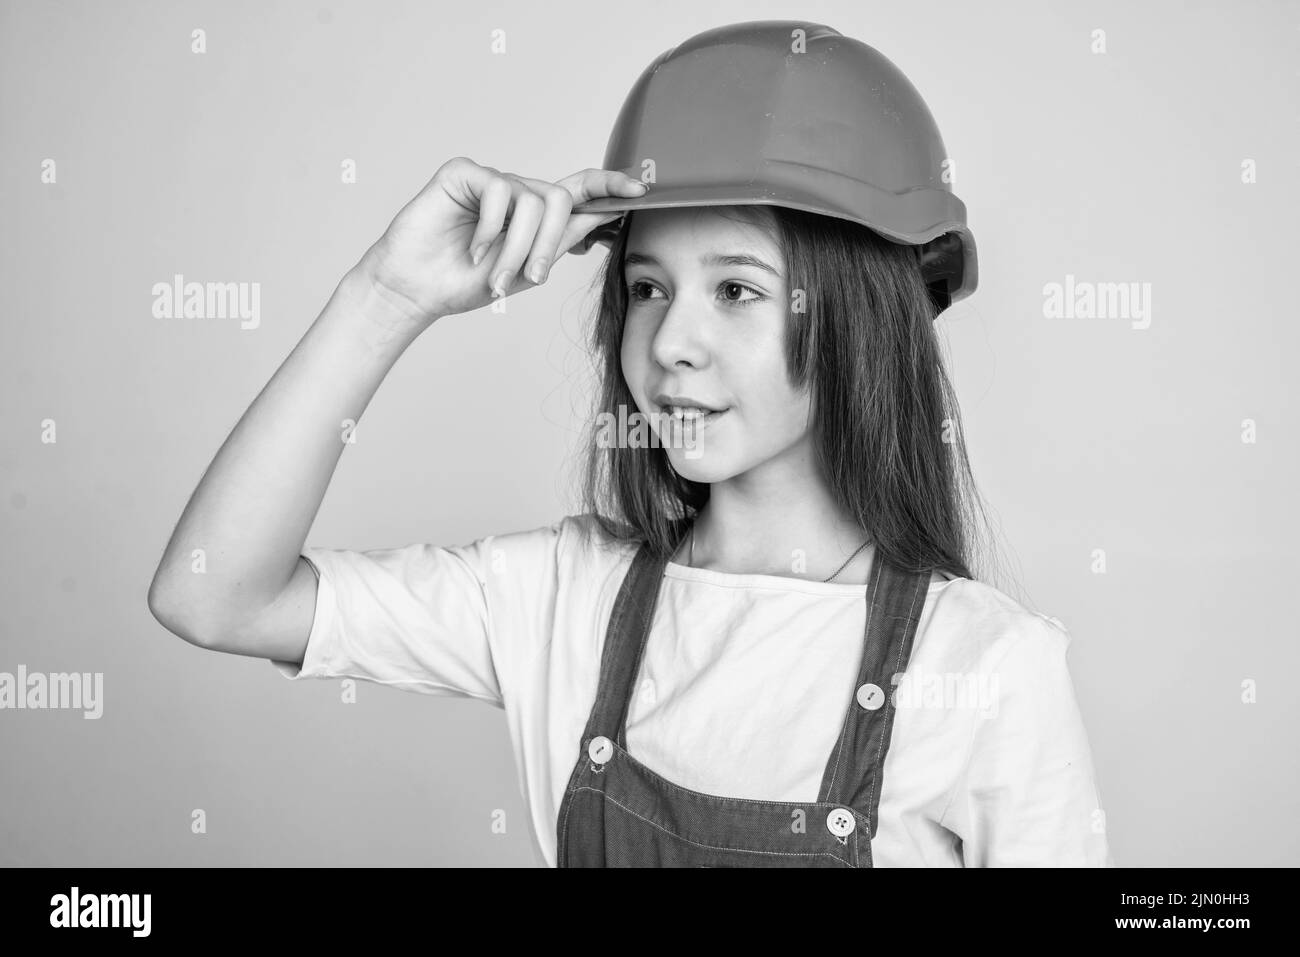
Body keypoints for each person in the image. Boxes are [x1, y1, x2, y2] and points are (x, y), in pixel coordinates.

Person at [148, 20, 1111, 867]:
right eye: (647, 286)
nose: (669, 343)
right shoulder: (562, 600)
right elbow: (214, 594)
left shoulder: (989, 670)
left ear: (862, 316)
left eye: (735, 289)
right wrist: (387, 298)